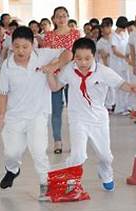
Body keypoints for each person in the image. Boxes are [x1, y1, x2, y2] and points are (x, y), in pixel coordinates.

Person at [46, 38, 136, 191]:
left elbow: (120, 84)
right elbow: (56, 86)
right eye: (78, 58)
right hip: (77, 118)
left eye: (87, 58)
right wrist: (50, 74)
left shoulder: (103, 71)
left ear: (94, 56)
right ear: (74, 56)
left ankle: (105, 173)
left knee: (105, 156)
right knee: (78, 155)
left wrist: (132, 87)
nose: (82, 62)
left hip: (98, 119)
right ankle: (72, 183)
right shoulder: (69, 69)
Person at [0, 26, 72, 201]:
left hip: (38, 115)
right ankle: (12, 170)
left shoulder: (43, 55)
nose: (20, 51)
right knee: (12, 153)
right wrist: (1, 115)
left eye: (25, 47)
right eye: (17, 46)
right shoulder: (7, 65)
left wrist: (55, 65)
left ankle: (46, 185)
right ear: (12, 45)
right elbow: (2, 92)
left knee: (38, 150)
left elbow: (68, 52)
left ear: (33, 45)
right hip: (14, 117)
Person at [42, 6, 80, 154]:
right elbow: (46, 56)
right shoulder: (49, 36)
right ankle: (57, 141)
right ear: (54, 19)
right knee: (56, 110)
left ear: (68, 17)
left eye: (64, 16)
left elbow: (79, 53)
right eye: (58, 16)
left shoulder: (76, 34)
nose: (61, 19)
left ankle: (76, 141)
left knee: (74, 110)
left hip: (73, 75)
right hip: (55, 76)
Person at [110, 16, 130, 115]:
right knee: (119, 85)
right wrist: (125, 57)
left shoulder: (125, 34)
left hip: (125, 64)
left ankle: (125, 106)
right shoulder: (114, 36)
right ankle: (120, 107)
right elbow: (115, 51)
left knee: (126, 84)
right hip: (117, 63)